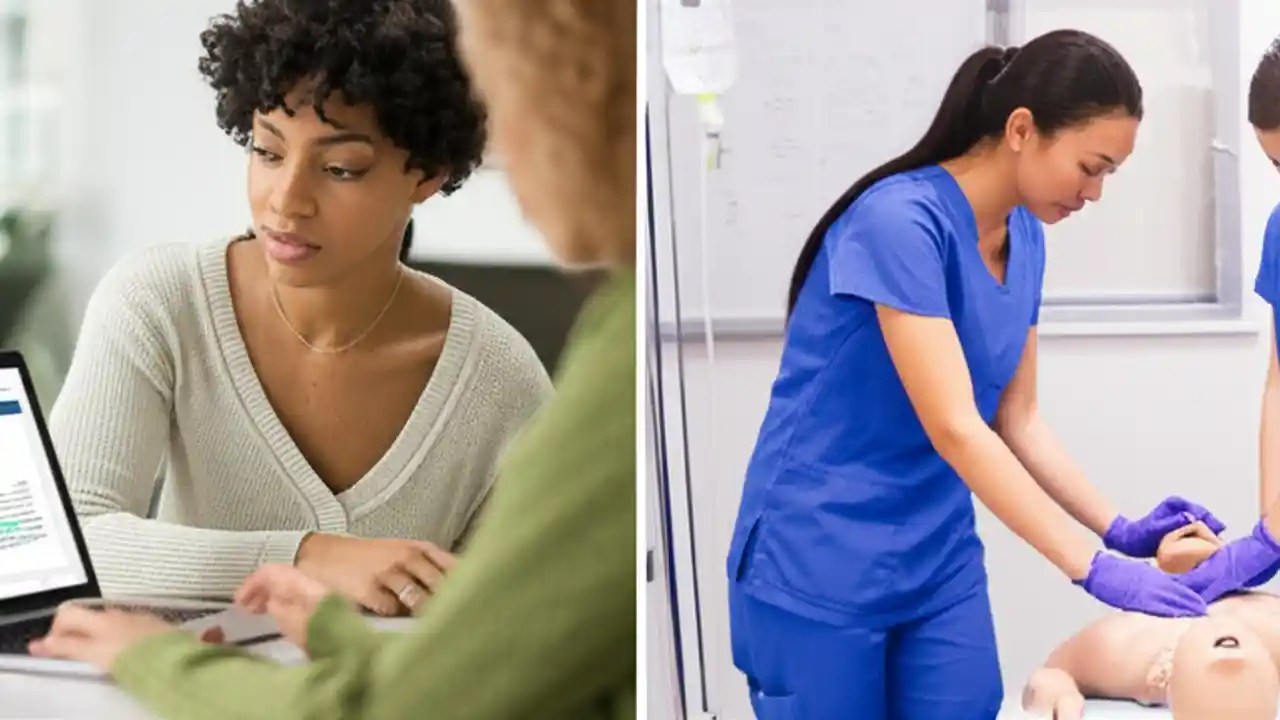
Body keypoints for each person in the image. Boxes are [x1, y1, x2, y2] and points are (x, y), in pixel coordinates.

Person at [28, 0, 636, 717]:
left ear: (428, 174)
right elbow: (62, 548)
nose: (286, 201)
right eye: (266, 149)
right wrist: (305, 555)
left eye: (341, 168)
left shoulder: (501, 380)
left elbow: (494, 659)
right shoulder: (160, 300)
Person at [725, 29, 1225, 720]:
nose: (1097, 192)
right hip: (819, 558)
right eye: (1091, 165)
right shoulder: (899, 223)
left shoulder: (1026, 239)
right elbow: (958, 428)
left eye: (1110, 173)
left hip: (935, 560)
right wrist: (1089, 566)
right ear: (1022, 129)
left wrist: (1120, 529)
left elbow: (1015, 418)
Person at [1022, 523, 1280, 719]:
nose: (1232, 662)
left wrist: (1055, 689)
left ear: (1165, 678)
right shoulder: (1270, 627)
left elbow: (1053, 671)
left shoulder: (1122, 650)